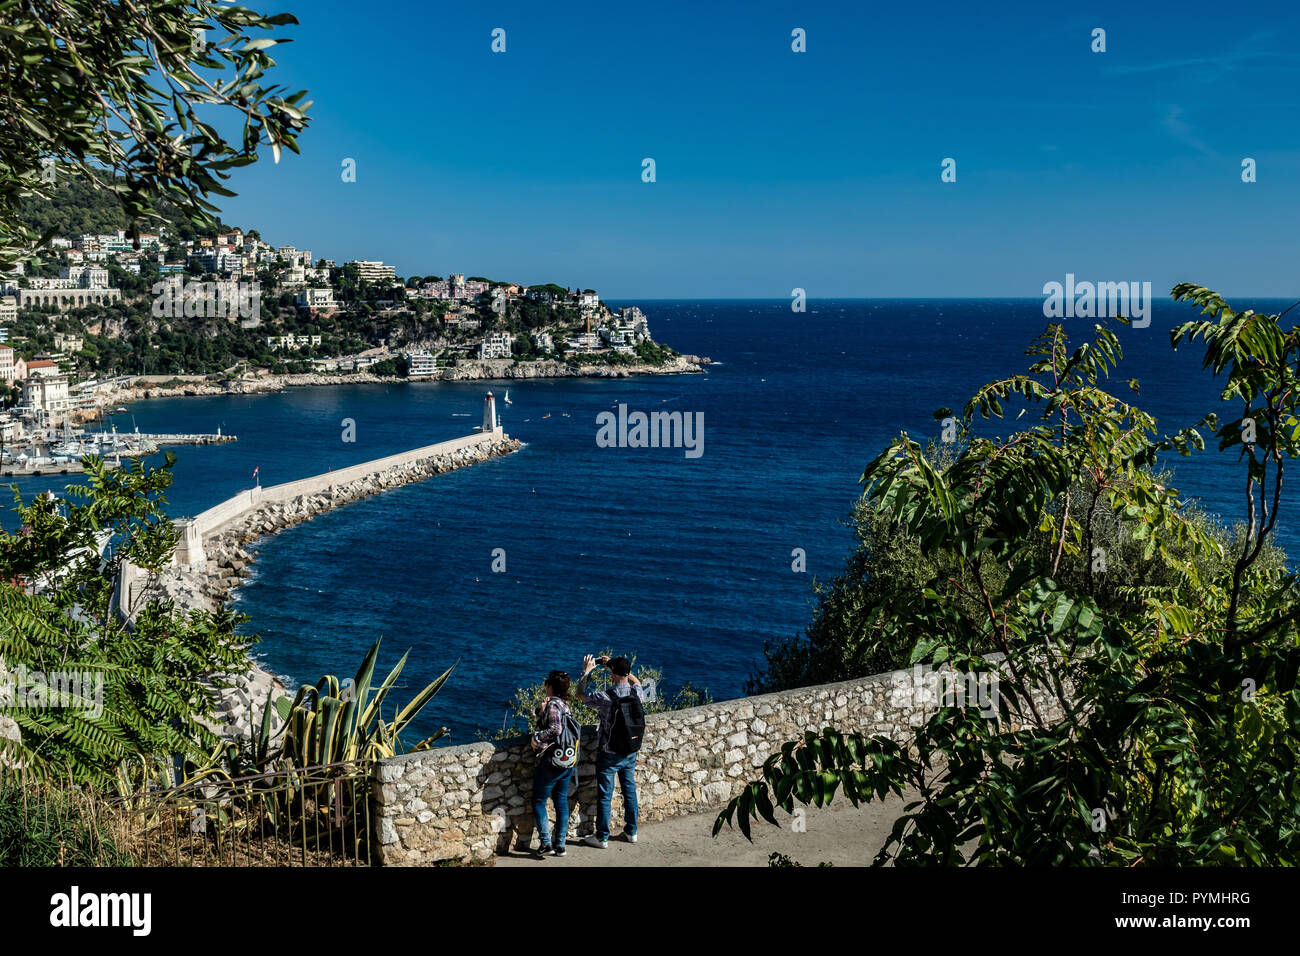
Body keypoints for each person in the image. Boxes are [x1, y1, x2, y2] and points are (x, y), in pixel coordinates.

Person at [578, 654, 643, 848]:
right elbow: (637, 681)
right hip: (630, 751)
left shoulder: (606, 697)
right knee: (629, 791)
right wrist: (614, 667)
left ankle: (602, 837)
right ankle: (631, 832)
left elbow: (580, 695)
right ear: (627, 672)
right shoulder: (636, 693)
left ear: (613, 674)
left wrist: (586, 672)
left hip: (609, 752)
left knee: (606, 795)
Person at [530, 670, 574, 857]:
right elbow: (553, 724)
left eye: (547, 683)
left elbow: (555, 728)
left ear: (551, 686)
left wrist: (537, 738)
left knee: (539, 800)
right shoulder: (564, 705)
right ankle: (561, 845)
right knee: (561, 801)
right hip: (567, 761)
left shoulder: (554, 706)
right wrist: (540, 712)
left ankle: (546, 843)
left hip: (552, 762)